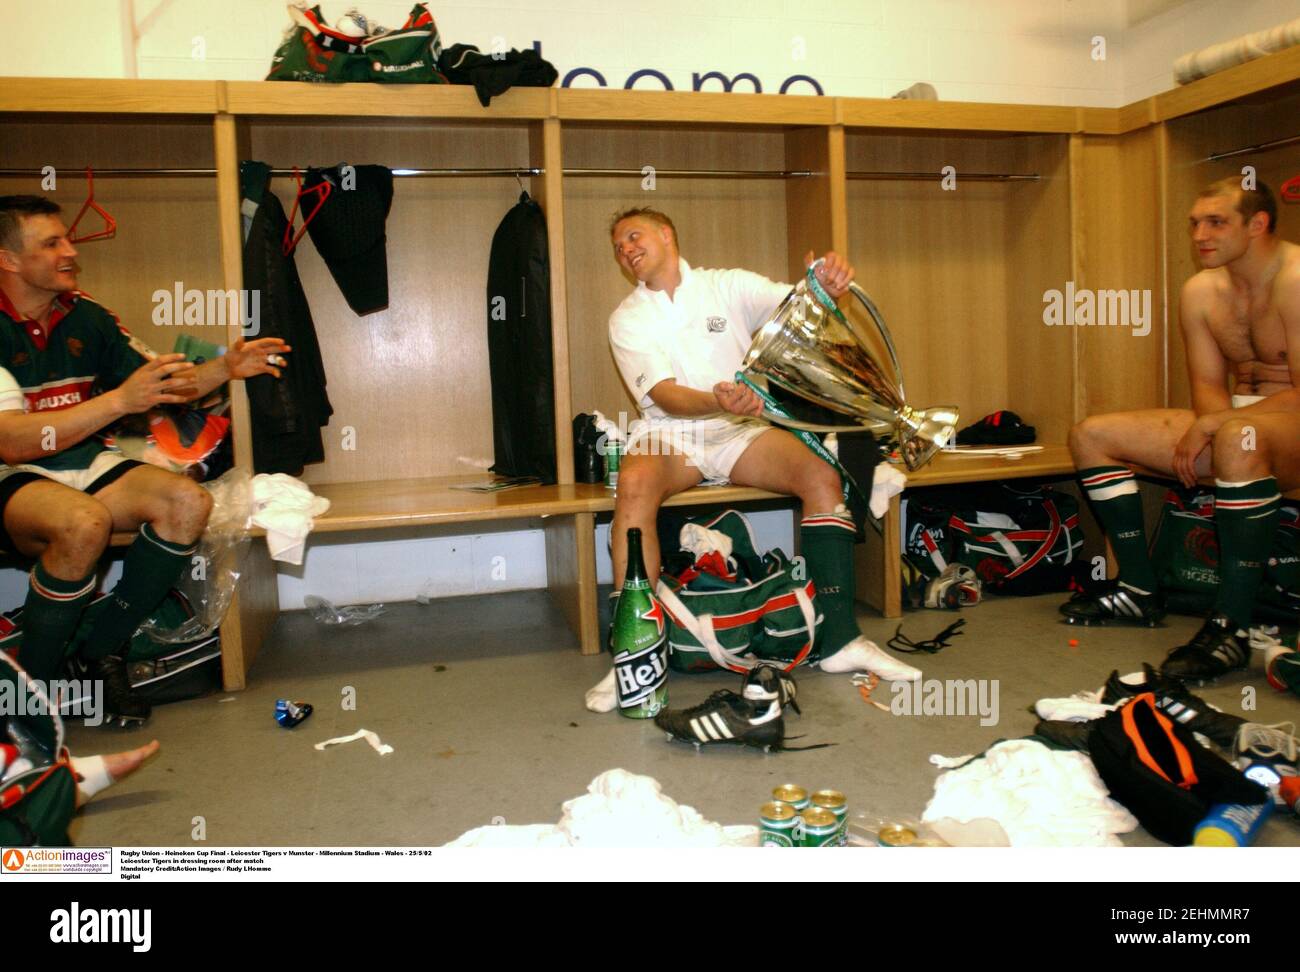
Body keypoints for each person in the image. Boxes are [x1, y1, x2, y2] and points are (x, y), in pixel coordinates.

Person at [586, 207, 920, 713]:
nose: (627, 250)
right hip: (671, 434)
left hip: (740, 430)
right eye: (618, 247)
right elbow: (667, 396)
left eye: (634, 237)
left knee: (820, 475)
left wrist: (824, 287)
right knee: (634, 487)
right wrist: (719, 399)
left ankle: (840, 641)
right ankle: (633, 651)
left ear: (667, 234)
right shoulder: (627, 318)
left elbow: (798, 308)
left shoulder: (728, 285)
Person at [0, 194, 291, 724]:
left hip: (82, 461)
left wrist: (226, 367)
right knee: (83, 523)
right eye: (53, 243)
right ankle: (28, 692)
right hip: (12, 472)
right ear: (9, 259)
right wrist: (117, 401)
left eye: (67, 238)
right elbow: (14, 442)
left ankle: (100, 652)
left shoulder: (85, 316)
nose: (71, 251)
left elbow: (162, 388)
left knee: (187, 502)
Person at [1062, 178, 1299, 682]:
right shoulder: (1201, 291)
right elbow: (1209, 386)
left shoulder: (1296, 278)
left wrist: (1224, 426)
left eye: (1216, 222)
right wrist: (1216, 426)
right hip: (1238, 422)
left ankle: (1230, 627)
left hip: (1291, 422)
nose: (1200, 234)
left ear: (1257, 225)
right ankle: (1140, 591)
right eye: (1194, 223)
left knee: (1238, 437)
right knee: (1091, 434)